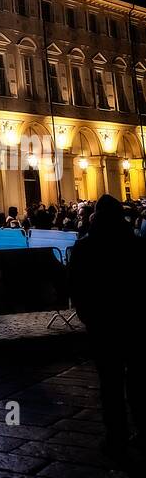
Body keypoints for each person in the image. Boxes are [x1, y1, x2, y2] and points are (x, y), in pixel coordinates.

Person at [69, 194, 146, 463]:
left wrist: (86, 313)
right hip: (133, 320)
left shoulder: (84, 247)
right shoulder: (136, 245)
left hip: (101, 323)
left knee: (109, 382)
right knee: (138, 379)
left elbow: (76, 285)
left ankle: (116, 434)